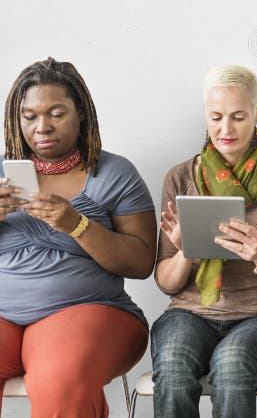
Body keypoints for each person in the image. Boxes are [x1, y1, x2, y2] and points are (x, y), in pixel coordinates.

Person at [150, 64, 257, 418]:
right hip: (189, 313)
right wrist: (187, 253)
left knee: (232, 361)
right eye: (216, 117)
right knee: (174, 365)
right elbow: (165, 282)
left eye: (238, 116)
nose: (225, 129)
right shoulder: (179, 177)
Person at [0, 57, 157, 417]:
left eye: (56, 113)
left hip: (88, 311)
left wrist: (77, 224)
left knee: (61, 379)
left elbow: (141, 262)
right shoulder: (2, 172)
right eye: (30, 116)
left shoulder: (115, 174)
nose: (42, 127)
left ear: (81, 113)